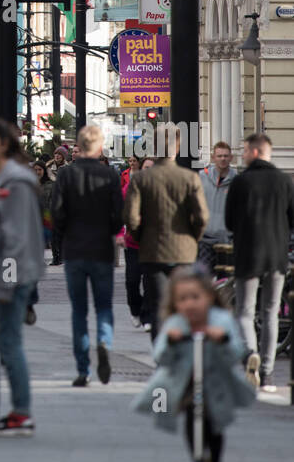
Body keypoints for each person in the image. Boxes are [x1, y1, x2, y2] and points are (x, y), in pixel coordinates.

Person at [132, 265, 254, 462]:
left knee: (214, 422)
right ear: (175, 303)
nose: (190, 304)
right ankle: (197, 459)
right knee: (192, 414)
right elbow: (160, 355)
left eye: (195, 297)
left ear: (208, 297)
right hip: (187, 381)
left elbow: (236, 351)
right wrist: (170, 341)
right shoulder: (176, 323)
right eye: (183, 299)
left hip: (216, 380)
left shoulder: (220, 320)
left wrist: (223, 340)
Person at [0, 118, 44, 434]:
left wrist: (6, 282)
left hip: (10, 274)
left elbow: (16, 238)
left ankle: (21, 411)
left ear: (3, 144)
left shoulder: (16, 181)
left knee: (8, 341)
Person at [51, 123, 123, 387]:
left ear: (79, 146)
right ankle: (104, 340)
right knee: (104, 306)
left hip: (75, 249)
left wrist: (66, 231)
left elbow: (56, 214)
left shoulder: (66, 175)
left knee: (78, 310)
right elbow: (118, 216)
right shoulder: (110, 176)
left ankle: (83, 368)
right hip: (102, 249)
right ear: (100, 146)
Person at [123, 129, 208, 341]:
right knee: (183, 304)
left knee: (158, 306)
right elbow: (201, 217)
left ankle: (162, 356)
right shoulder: (189, 178)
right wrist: (192, 238)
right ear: (177, 149)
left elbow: (131, 218)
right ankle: (183, 354)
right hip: (183, 252)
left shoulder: (142, 179)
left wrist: (141, 237)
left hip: (152, 251)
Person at [225, 132, 294, 392]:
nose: (242, 155)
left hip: (247, 255)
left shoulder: (241, 182)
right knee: (271, 313)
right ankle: (267, 375)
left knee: (244, 311)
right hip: (276, 256)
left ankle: (250, 353)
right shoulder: (284, 181)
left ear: (255, 152)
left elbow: (229, 221)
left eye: (244, 151)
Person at [121, 157, 151, 330]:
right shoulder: (129, 189)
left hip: (152, 244)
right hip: (132, 243)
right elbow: (120, 212)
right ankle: (135, 308)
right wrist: (120, 233)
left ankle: (147, 316)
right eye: (145, 167)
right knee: (132, 281)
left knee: (149, 282)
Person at [198, 141, 236, 270]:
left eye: (226, 156)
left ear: (231, 157)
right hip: (205, 239)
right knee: (204, 280)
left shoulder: (237, 181)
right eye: (219, 156)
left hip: (227, 240)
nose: (223, 159)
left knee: (225, 281)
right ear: (213, 157)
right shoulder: (202, 177)